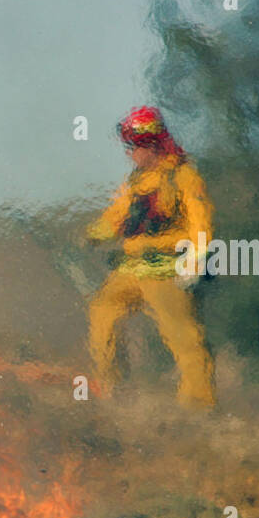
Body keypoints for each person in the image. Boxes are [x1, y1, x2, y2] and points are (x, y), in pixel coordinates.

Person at [85, 106, 216, 408]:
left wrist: (195, 260)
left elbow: (200, 224)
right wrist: (91, 234)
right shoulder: (134, 183)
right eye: (129, 147)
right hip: (133, 269)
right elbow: (116, 218)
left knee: (183, 338)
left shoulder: (183, 176)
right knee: (101, 311)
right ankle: (109, 386)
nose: (130, 153)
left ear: (152, 144)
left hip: (168, 270)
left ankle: (198, 405)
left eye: (134, 147)